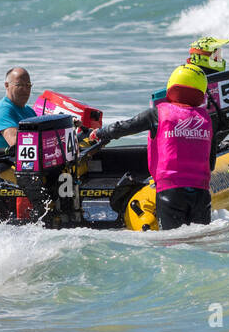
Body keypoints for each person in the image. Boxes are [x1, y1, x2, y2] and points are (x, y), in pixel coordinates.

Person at [90, 65, 216, 230]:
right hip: (201, 193)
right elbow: (211, 164)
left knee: (173, 243)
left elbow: (123, 127)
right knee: (201, 241)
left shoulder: (158, 113)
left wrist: (99, 133)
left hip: (171, 191)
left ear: (171, 87)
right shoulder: (207, 120)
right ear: (202, 92)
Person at [0, 67, 36, 148]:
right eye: (19, 85)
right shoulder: (2, 110)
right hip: (6, 160)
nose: (25, 90)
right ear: (7, 85)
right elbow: (17, 144)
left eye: (28, 85)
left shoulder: (29, 110)